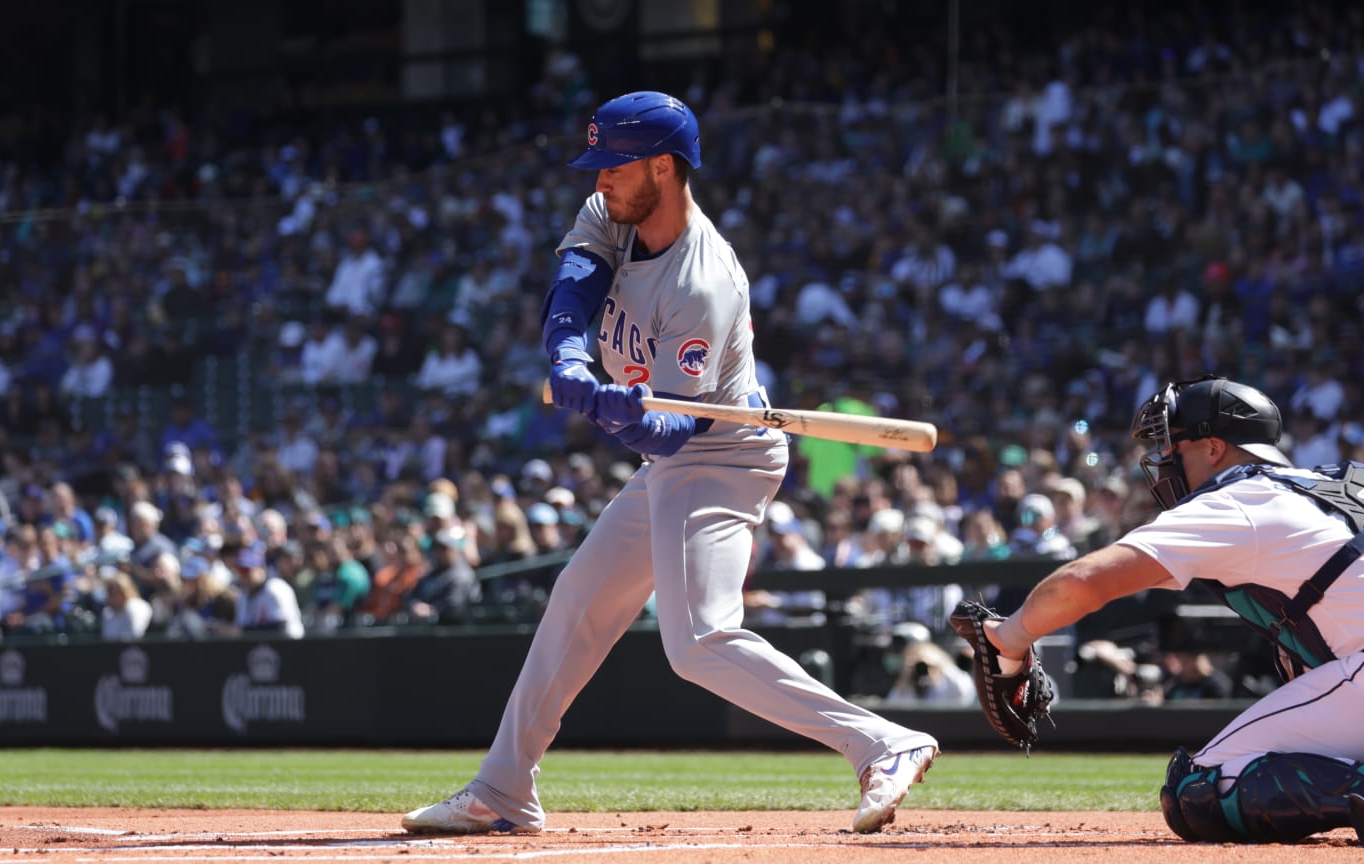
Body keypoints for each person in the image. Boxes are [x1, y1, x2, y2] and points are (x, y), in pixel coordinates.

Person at [403, 91, 937, 838]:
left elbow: (673, 432)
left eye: (614, 166)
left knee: (699, 642)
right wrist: (570, 358)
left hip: (724, 454)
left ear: (662, 167)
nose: (600, 179)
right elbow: (574, 290)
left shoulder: (704, 280)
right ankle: (504, 786)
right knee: (578, 599)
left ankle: (881, 742)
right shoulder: (612, 210)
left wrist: (619, 414)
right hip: (680, 451)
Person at [964, 375, 1364, 843]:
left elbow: (1083, 582)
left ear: (1213, 448)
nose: (1166, 460)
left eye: (1177, 446)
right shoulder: (1343, 481)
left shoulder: (1239, 500)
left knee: (1199, 790)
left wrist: (1007, 638)